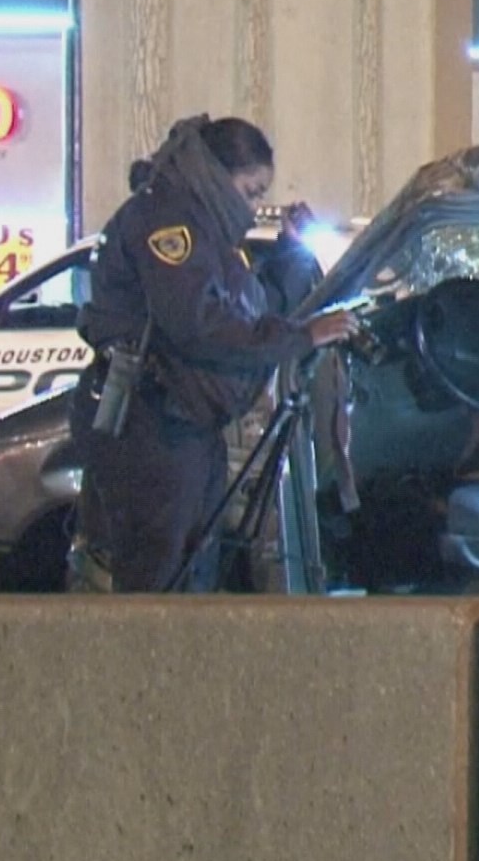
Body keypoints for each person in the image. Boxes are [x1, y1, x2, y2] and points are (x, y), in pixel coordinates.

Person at [68, 115, 358, 593]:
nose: (253, 207)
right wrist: (302, 338)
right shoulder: (167, 223)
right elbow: (201, 327)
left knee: (192, 566)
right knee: (159, 572)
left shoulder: (207, 231)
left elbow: (252, 308)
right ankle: (147, 666)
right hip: (148, 424)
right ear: (217, 175)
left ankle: (181, 662)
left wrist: (290, 253)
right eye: (251, 191)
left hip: (184, 424)